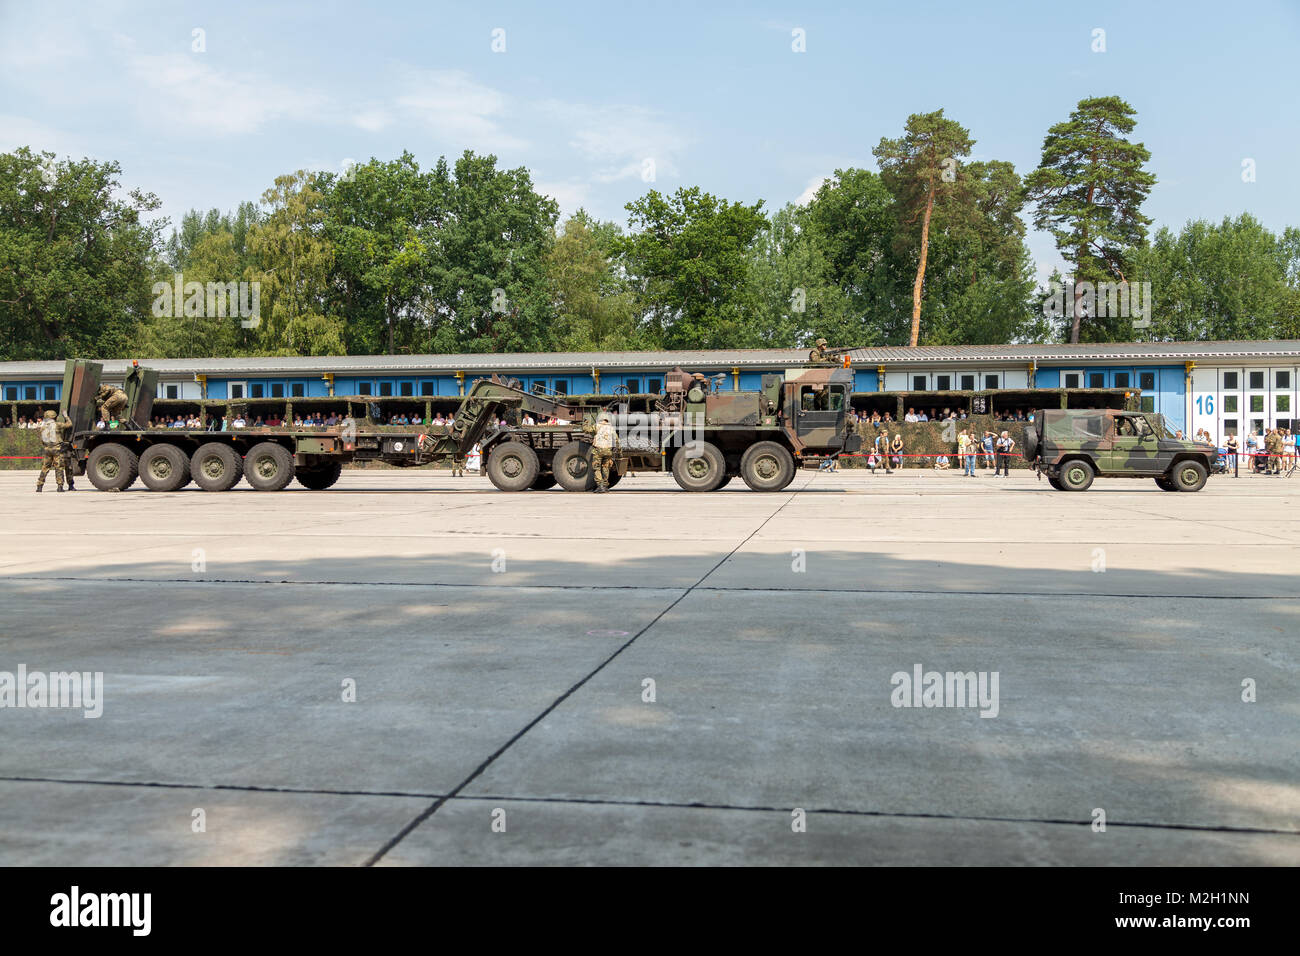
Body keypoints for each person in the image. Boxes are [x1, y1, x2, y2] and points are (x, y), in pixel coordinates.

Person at [36, 410, 66, 492]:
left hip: (47, 449)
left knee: (45, 468)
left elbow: (42, 440)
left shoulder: (43, 427)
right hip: (56, 449)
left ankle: (39, 486)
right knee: (59, 467)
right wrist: (66, 416)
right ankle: (60, 486)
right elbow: (69, 424)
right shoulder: (57, 425)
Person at [590, 412, 619, 493]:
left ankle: (600, 486)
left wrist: (585, 423)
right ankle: (605, 486)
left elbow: (586, 430)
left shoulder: (597, 426)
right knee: (606, 468)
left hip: (598, 451)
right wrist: (618, 451)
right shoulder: (611, 428)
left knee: (597, 468)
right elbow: (617, 440)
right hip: (608, 451)